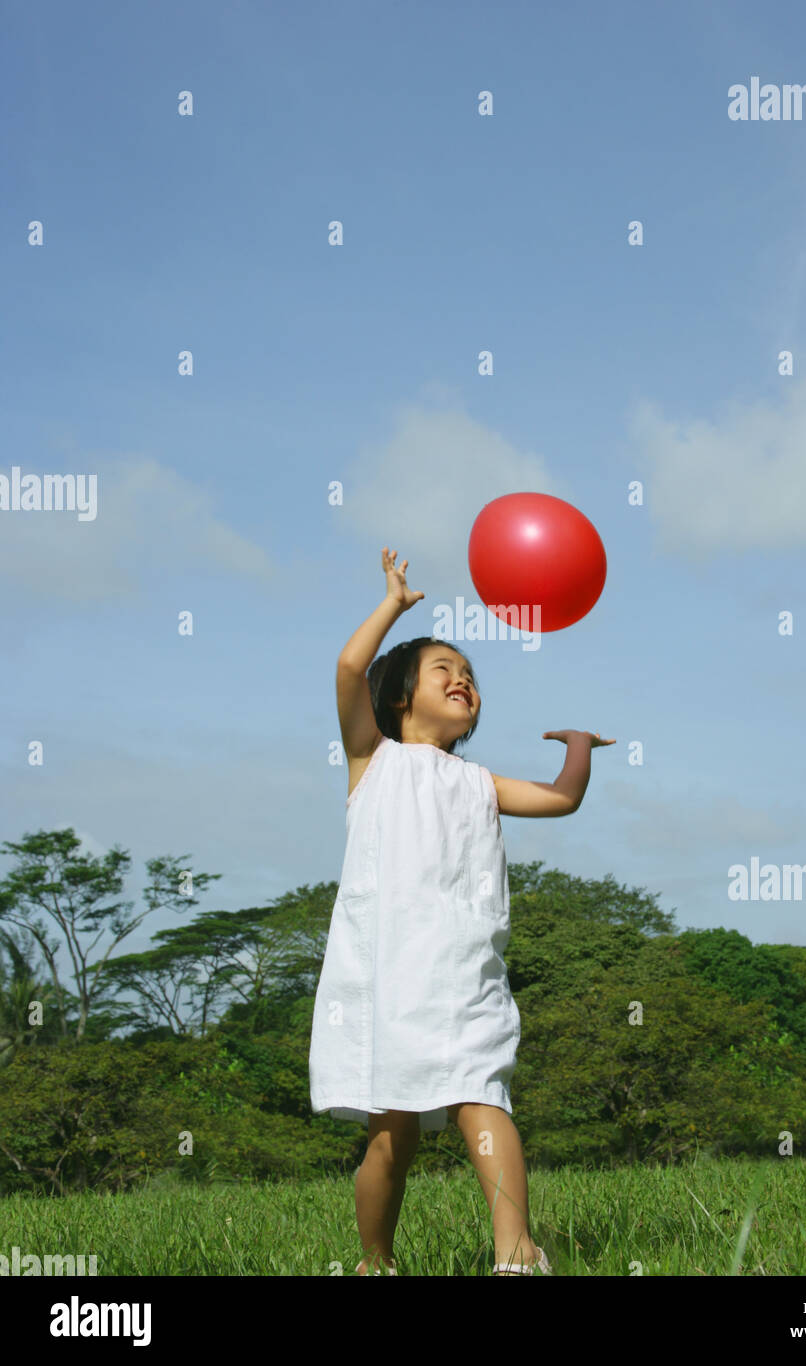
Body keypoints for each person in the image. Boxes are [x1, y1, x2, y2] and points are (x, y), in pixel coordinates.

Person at [309, 546, 614, 1276]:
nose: (461, 680)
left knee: (482, 1090)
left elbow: (561, 798)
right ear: (398, 697)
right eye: (443, 670)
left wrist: (578, 748)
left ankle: (516, 1253)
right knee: (393, 1132)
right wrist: (394, 604)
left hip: (463, 967)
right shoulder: (371, 759)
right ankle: (374, 1261)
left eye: (469, 676)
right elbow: (349, 670)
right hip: (385, 974)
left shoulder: (478, 781)